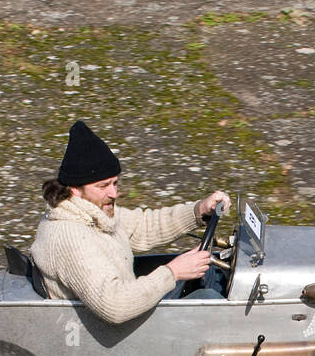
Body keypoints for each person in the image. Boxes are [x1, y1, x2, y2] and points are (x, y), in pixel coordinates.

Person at [29, 120, 230, 323]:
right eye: (103, 186)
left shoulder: (92, 211)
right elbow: (115, 306)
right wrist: (174, 272)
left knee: (215, 273)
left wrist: (200, 210)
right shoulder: (69, 236)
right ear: (74, 188)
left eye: (115, 183)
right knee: (215, 305)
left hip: (131, 304)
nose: (113, 193)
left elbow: (144, 226)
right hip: (115, 326)